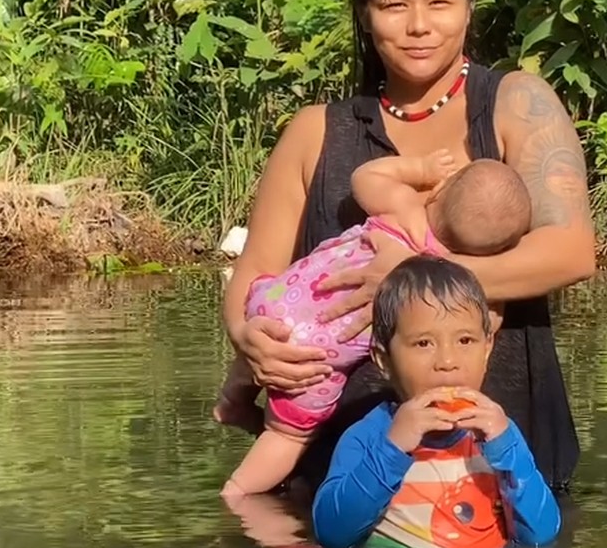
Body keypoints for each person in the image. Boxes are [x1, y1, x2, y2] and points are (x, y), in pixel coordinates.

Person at [217, 0, 596, 491]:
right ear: (366, 16)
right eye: (395, 6)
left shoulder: (518, 103)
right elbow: (253, 277)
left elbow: (570, 253)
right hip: (343, 476)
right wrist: (249, 341)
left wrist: (417, 276)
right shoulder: (314, 133)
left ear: (471, 7)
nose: (419, 25)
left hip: (500, 471)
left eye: (440, 4)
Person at [222, 152, 532, 499]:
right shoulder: (445, 284)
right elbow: (488, 320)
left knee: (264, 343)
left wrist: (421, 168)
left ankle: (235, 397)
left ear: (441, 190)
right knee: (290, 435)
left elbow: (365, 177)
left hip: (277, 297)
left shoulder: (405, 211)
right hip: (315, 353)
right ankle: (238, 493)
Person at [312, 258, 561, 548]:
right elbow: (331, 532)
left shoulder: (498, 438)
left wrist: (509, 450)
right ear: (383, 358)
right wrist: (392, 450)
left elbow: (542, 533)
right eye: (423, 344)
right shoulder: (369, 438)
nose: (447, 362)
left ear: (487, 349)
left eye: (465, 340)